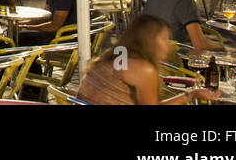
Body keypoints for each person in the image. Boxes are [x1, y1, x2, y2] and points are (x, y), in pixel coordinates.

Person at [76, 15, 216, 105]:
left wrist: (191, 94)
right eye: (164, 39)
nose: (169, 43)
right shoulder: (143, 69)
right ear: (150, 41)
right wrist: (190, 95)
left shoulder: (115, 55)